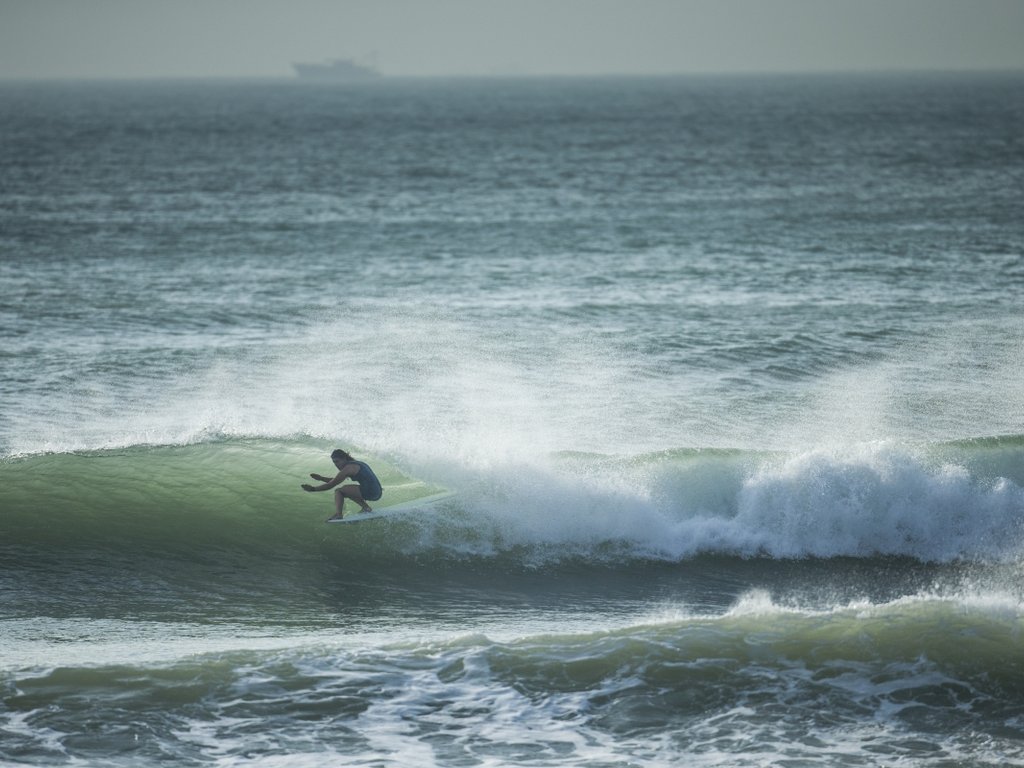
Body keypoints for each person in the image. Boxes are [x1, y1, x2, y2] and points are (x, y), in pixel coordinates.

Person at [302, 448, 383, 521]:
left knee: (339, 491)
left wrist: (313, 489)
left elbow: (331, 484)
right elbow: (336, 481)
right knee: (347, 490)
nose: (336, 464)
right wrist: (321, 478)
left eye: (337, 461)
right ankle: (366, 508)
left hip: (371, 491)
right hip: (377, 491)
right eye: (334, 462)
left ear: (344, 459)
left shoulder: (348, 468)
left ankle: (338, 514)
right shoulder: (355, 464)